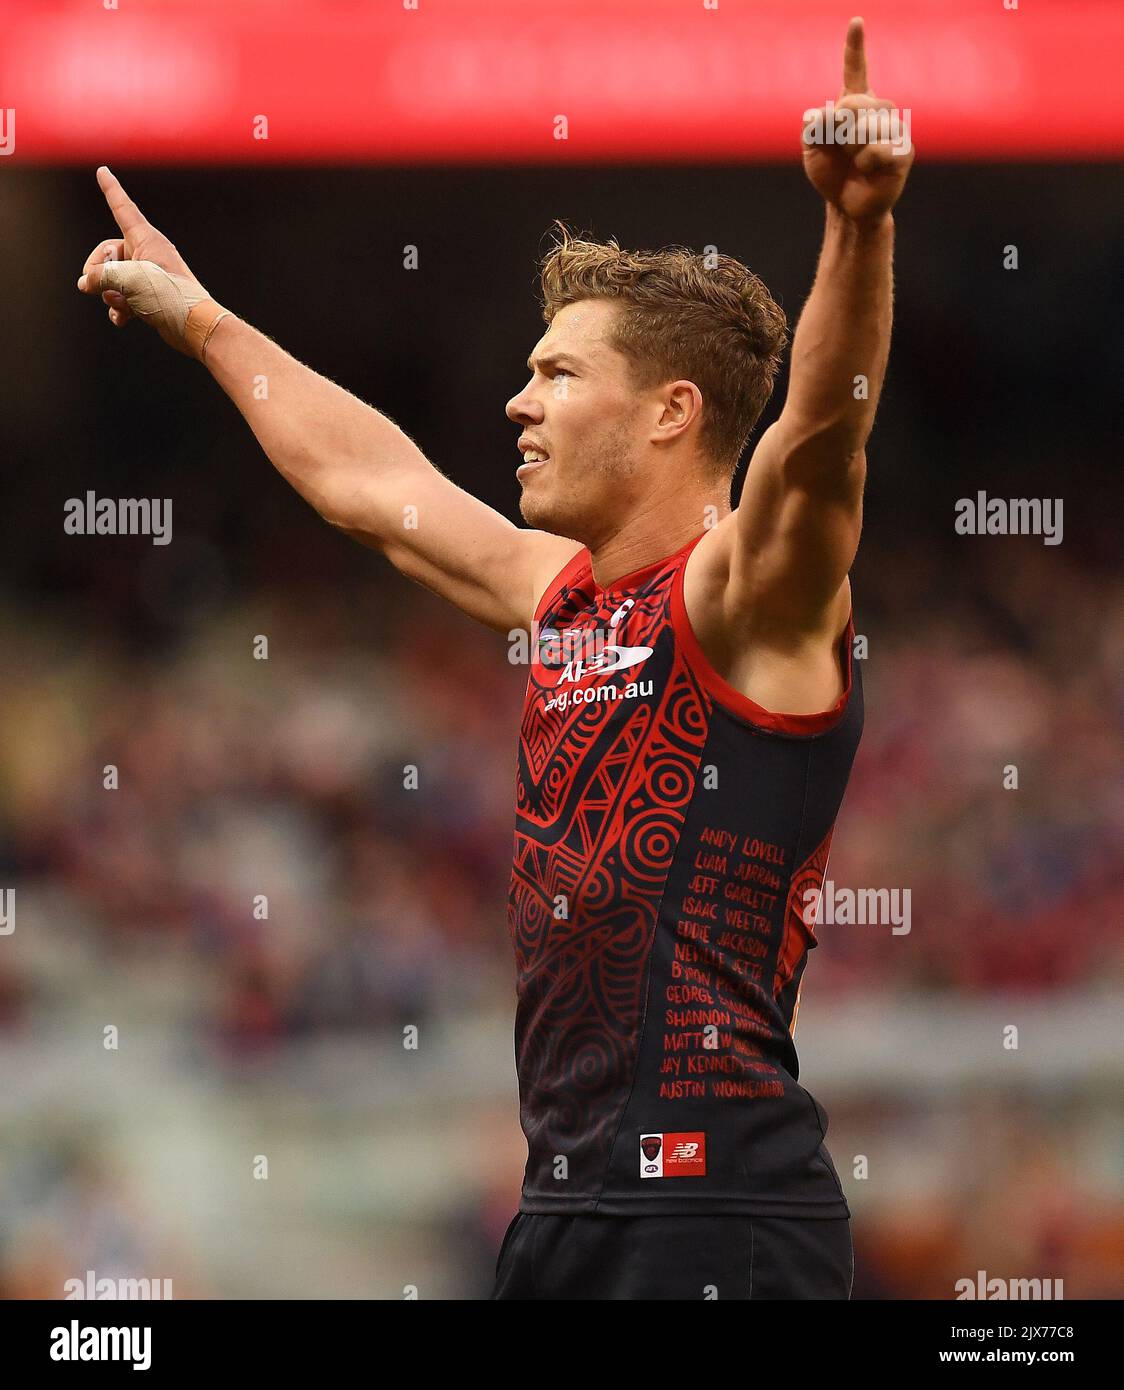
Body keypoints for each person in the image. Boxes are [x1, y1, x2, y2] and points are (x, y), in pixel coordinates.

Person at [77, 17, 913, 1300]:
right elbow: (369, 481)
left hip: (716, 1215)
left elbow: (819, 445)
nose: (516, 403)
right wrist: (203, 322)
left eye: (555, 373)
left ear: (668, 413)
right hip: (558, 1216)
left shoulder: (748, 595)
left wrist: (856, 227)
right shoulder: (557, 593)